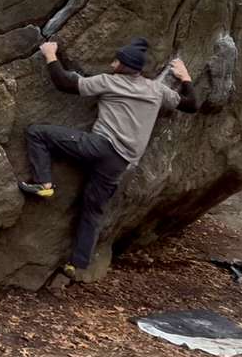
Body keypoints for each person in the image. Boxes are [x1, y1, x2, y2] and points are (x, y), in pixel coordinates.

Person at [19, 37, 198, 278]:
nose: (112, 62)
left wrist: (50, 54)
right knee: (92, 211)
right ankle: (77, 265)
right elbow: (191, 105)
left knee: (36, 133)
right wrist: (185, 77)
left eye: (117, 60)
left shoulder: (109, 82)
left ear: (124, 65)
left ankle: (44, 183)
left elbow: (65, 83)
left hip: (98, 147)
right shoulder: (156, 90)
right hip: (119, 163)